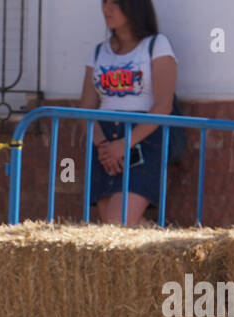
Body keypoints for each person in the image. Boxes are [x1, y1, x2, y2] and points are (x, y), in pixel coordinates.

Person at [78, 0, 178, 226]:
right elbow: (85, 109)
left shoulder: (156, 45)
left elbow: (164, 106)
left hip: (142, 140)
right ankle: (159, 245)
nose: (106, 9)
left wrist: (124, 144)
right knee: (112, 229)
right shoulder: (98, 51)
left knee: (117, 221)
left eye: (115, 4)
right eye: (105, 3)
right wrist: (104, 145)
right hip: (103, 141)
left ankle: (162, 246)